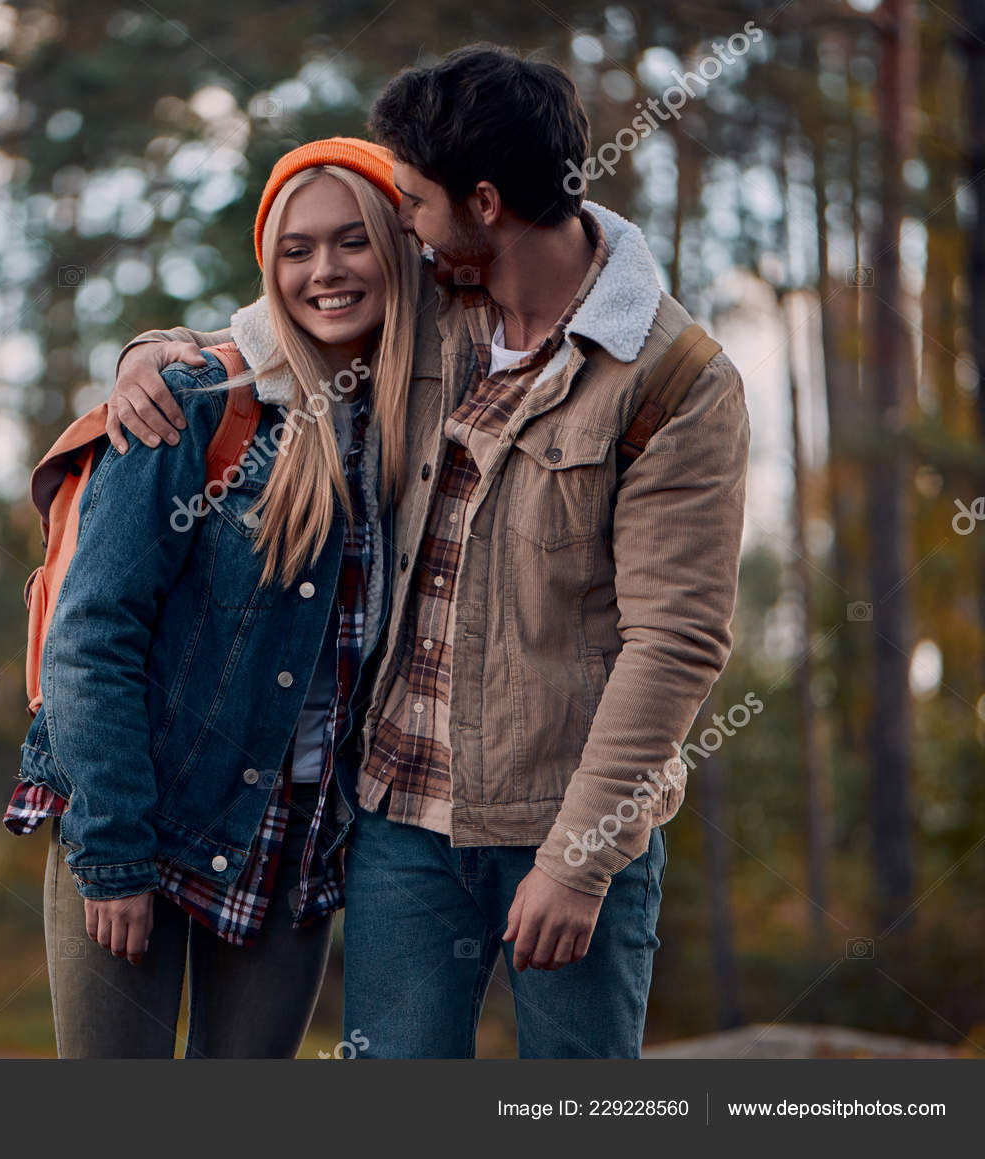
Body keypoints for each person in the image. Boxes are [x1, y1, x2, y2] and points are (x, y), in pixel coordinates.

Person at [104, 45, 750, 1058]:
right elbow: (292, 322)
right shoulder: (434, 306)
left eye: (409, 198)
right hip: (398, 822)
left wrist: (578, 861)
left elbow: (673, 641)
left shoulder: (673, 382)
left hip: (565, 823)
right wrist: (154, 351)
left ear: (484, 201)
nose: (396, 220)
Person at [4, 139, 427, 1057]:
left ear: (401, 246)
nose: (326, 270)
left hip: (298, 831)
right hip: (143, 800)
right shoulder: (194, 399)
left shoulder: (419, 420)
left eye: (353, 241)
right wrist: (114, 851)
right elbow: (91, 635)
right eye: (298, 249)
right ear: (268, 267)